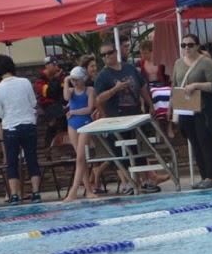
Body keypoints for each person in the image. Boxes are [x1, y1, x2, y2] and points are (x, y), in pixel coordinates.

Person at [92, 42, 153, 193]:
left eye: (110, 52)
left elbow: (142, 87)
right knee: (121, 151)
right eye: (103, 55)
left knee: (139, 149)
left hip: (134, 112)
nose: (107, 56)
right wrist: (115, 89)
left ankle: (144, 180)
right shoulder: (103, 76)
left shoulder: (130, 68)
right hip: (117, 116)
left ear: (116, 52)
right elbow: (99, 98)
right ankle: (128, 182)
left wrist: (150, 104)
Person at [0, 54, 42, 204]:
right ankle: (36, 193)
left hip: (10, 127)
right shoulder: (24, 82)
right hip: (28, 124)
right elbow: (33, 102)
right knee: (32, 159)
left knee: (12, 162)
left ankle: (14, 195)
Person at [170, 33, 212, 189]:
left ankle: (210, 177)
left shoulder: (205, 62)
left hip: (203, 107)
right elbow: (175, 85)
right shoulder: (178, 63)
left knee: (204, 141)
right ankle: (203, 175)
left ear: (197, 46)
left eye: (190, 45)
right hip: (185, 107)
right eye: (184, 45)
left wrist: (196, 85)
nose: (187, 48)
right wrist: (171, 107)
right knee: (194, 143)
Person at [62, 65, 100, 201]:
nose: (75, 83)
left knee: (80, 158)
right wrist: (66, 80)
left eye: (77, 80)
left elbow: (89, 109)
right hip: (72, 125)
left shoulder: (90, 90)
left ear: (83, 79)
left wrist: (73, 112)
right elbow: (66, 97)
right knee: (80, 158)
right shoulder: (71, 91)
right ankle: (88, 190)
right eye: (73, 81)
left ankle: (73, 191)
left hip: (85, 124)